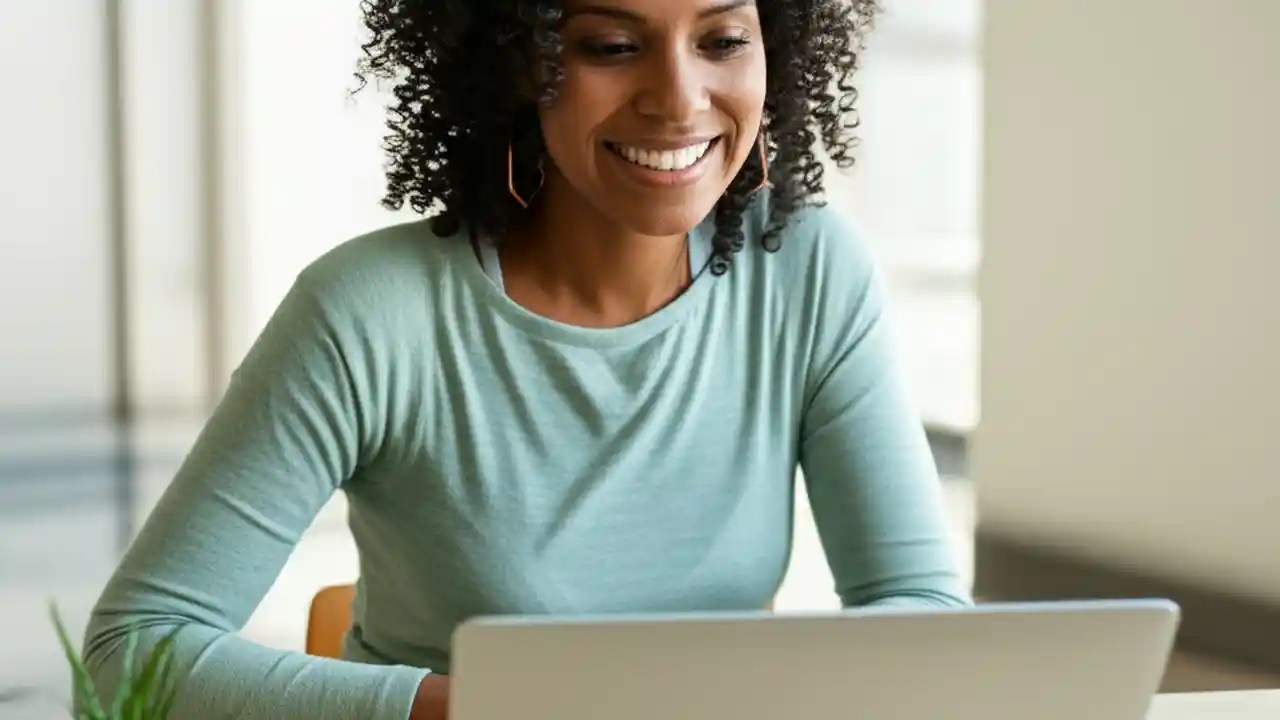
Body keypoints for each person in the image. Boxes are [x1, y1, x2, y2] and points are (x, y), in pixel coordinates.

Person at [84, 0, 969, 717]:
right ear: (517, 59)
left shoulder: (807, 271)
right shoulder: (369, 312)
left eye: (724, 39)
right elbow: (132, 654)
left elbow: (924, 618)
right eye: (613, 44)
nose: (678, 97)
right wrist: (478, 709)